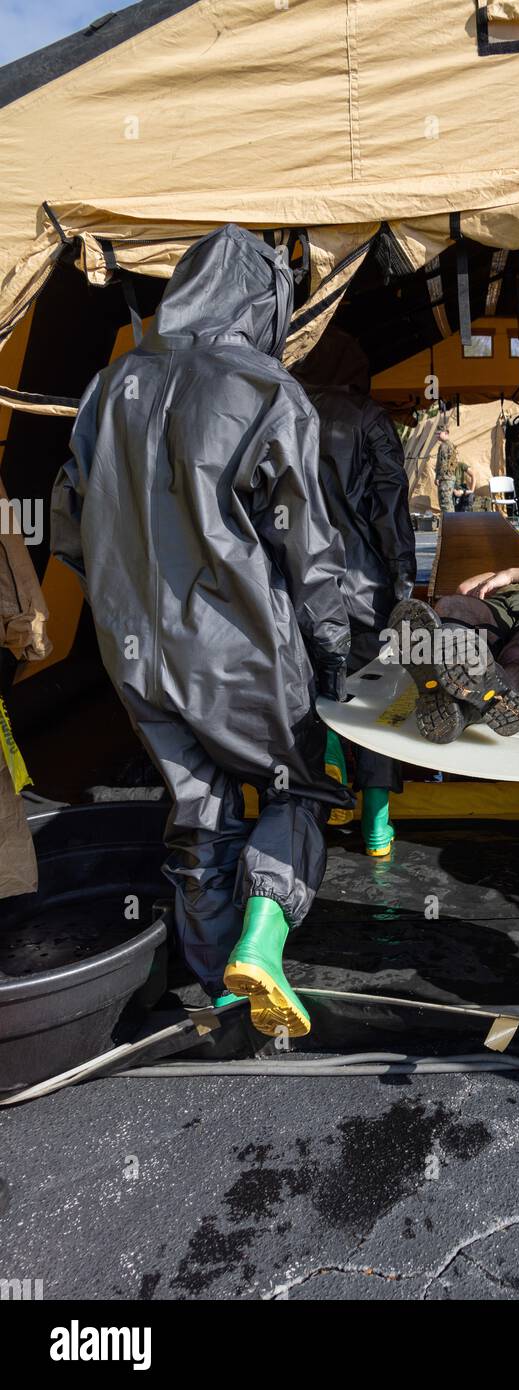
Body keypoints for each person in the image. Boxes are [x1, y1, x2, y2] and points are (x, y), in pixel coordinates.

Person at [51, 224, 352, 1038]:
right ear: (264, 299)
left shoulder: (110, 386)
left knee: (197, 809)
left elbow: (68, 522)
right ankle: (261, 940)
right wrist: (333, 654)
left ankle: (220, 988)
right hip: (240, 645)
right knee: (297, 786)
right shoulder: (263, 387)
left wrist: (120, 603)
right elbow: (305, 542)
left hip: (131, 651)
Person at [297, 328, 417, 856]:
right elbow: (390, 512)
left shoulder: (277, 413)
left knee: (310, 699)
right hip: (364, 594)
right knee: (375, 704)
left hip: (293, 592)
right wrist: (404, 582)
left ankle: (310, 813)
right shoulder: (369, 418)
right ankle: (376, 824)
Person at [388, 548, 519, 743]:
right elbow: (464, 588)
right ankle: (448, 664)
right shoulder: (506, 581)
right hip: (504, 603)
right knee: (452, 605)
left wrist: (511, 573)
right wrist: (501, 576)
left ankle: (464, 704)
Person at [435, 427, 456, 513]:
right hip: (448, 477)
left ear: (446, 433)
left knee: (445, 503)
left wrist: (438, 477)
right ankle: (451, 523)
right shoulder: (450, 445)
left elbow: (443, 463)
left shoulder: (444, 446)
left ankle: (450, 524)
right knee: (448, 503)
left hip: (445, 478)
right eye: (436, 434)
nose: (437, 436)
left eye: (439, 433)